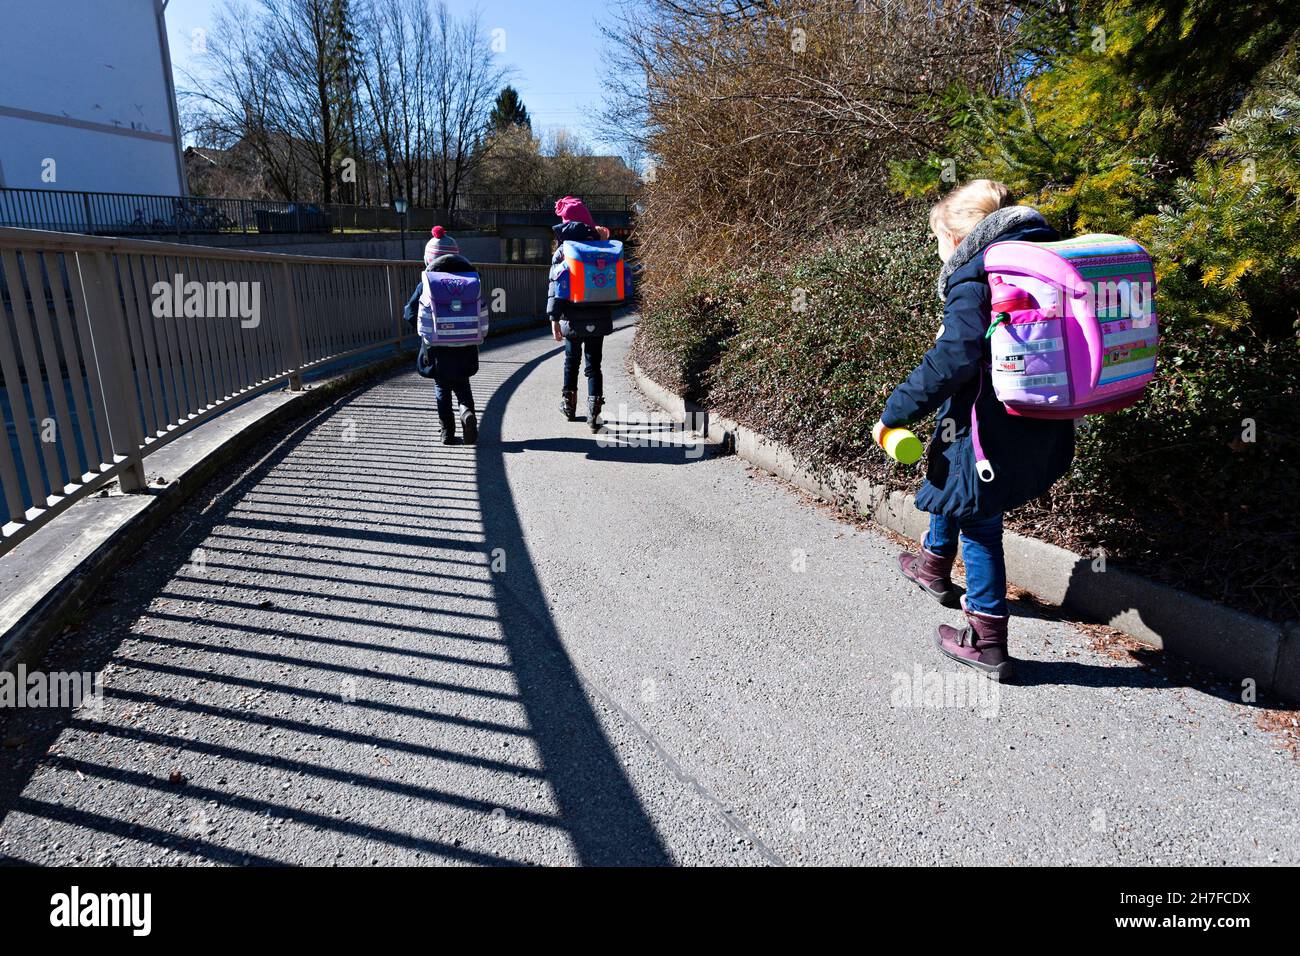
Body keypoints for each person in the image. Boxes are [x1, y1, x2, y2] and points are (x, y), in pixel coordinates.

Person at [882, 180, 1075, 682]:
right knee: (955, 485)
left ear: (955, 235)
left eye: (937, 239)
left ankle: (987, 641)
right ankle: (932, 566)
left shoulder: (976, 272)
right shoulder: (1040, 256)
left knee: (981, 524)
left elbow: (955, 357)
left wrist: (896, 411)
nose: (937, 249)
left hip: (986, 422)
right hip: (1039, 412)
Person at [403, 226, 482, 445]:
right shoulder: (470, 280)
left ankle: (447, 431)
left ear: (428, 260)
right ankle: (467, 413)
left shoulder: (428, 283)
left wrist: (424, 330)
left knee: (442, 389)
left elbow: (409, 312)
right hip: (466, 344)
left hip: (437, 348)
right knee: (463, 385)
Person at [547, 196, 615, 431]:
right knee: (594, 365)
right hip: (599, 314)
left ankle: (569, 405)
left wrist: (554, 318)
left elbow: (555, 288)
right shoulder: (604, 246)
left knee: (571, 361)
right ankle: (594, 413)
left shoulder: (563, 251)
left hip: (571, 317)